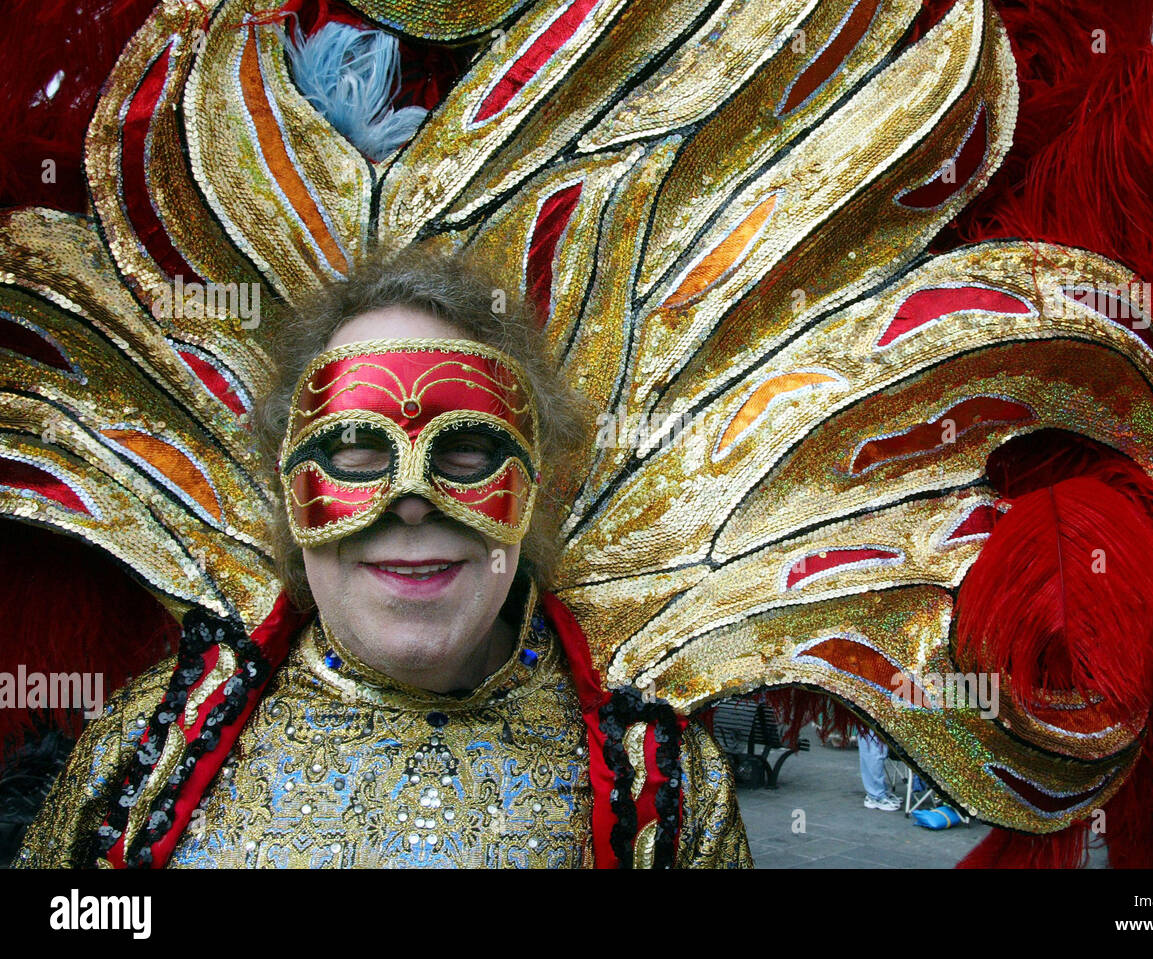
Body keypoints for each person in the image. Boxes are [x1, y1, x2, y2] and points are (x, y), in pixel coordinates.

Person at [15, 248, 752, 869]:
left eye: (467, 448)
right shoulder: (143, 754)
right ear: (289, 487)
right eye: (355, 451)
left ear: (533, 483)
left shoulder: (665, 786)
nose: (410, 499)